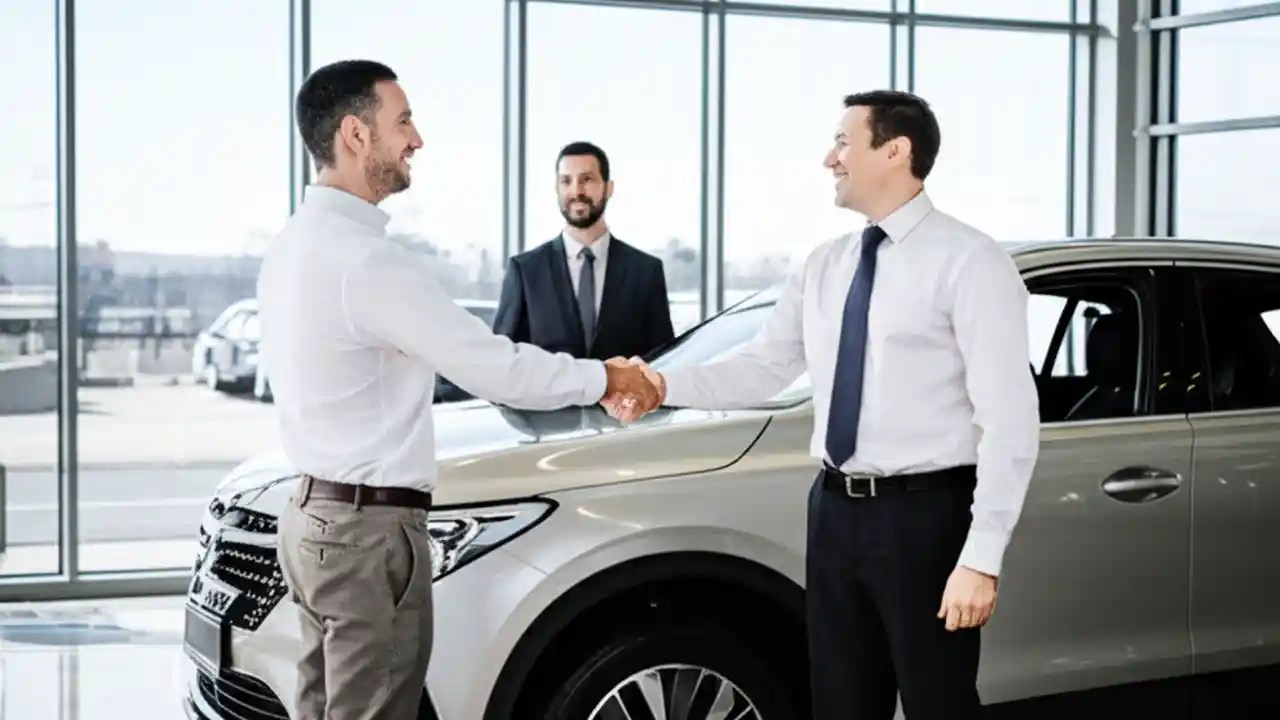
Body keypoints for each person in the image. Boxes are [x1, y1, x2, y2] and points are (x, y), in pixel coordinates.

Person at [609, 90, 1039, 719]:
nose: (827, 159)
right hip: (835, 513)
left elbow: (1008, 421)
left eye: (843, 142)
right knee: (840, 703)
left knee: (938, 703)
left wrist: (981, 557)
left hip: (925, 519)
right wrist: (662, 386)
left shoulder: (971, 261)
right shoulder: (826, 265)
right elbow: (762, 368)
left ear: (896, 151)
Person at [257, 60, 659, 720]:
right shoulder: (368, 262)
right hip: (366, 533)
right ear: (357, 135)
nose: (417, 139)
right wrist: (607, 375)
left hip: (313, 519)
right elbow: (493, 366)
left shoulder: (293, 245)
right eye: (404, 121)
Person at [492, 141, 675, 361]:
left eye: (587, 180)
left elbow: (664, 362)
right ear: (557, 189)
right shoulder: (526, 271)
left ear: (609, 188)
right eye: (566, 181)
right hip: (549, 397)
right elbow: (502, 367)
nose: (576, 191)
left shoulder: (645, 272)